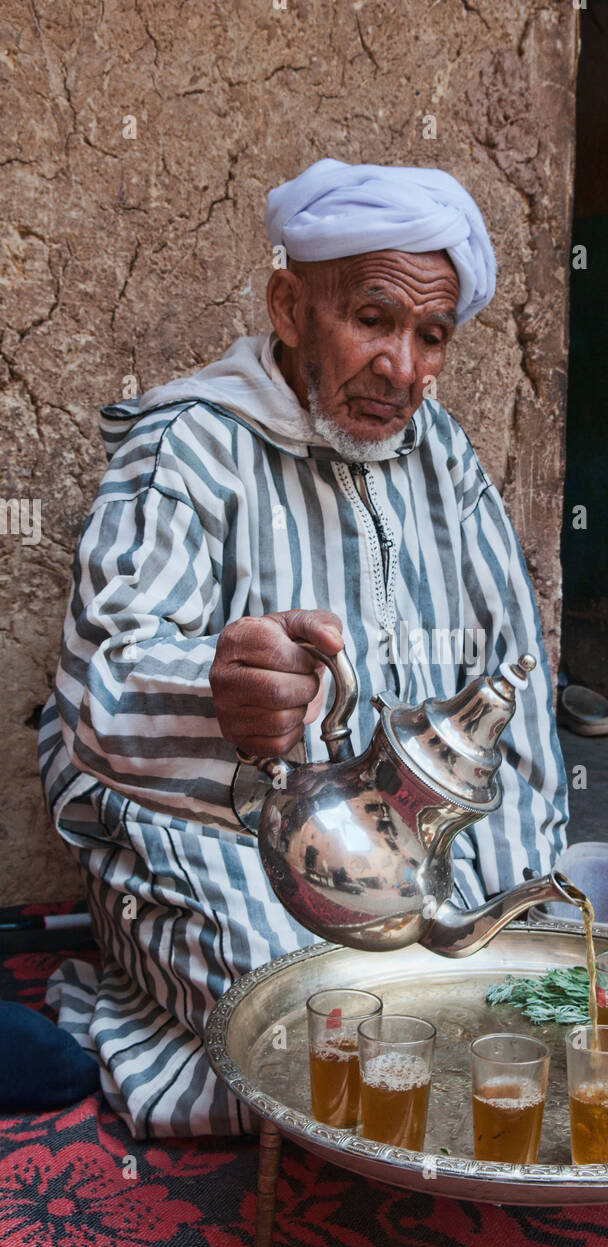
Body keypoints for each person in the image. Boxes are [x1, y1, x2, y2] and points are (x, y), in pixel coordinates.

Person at [38, 159, 569, 1137]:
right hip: (219, 826)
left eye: (430, 336)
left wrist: (518, 908)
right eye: (372, 319)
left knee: (520, 1016)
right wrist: (218, 696)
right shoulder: (190, 446)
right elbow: (97, 695)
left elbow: (512, 683)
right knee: (319, 1027)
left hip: (400, 840)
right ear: (289, 307)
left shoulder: (441, 455)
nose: (402, 368)